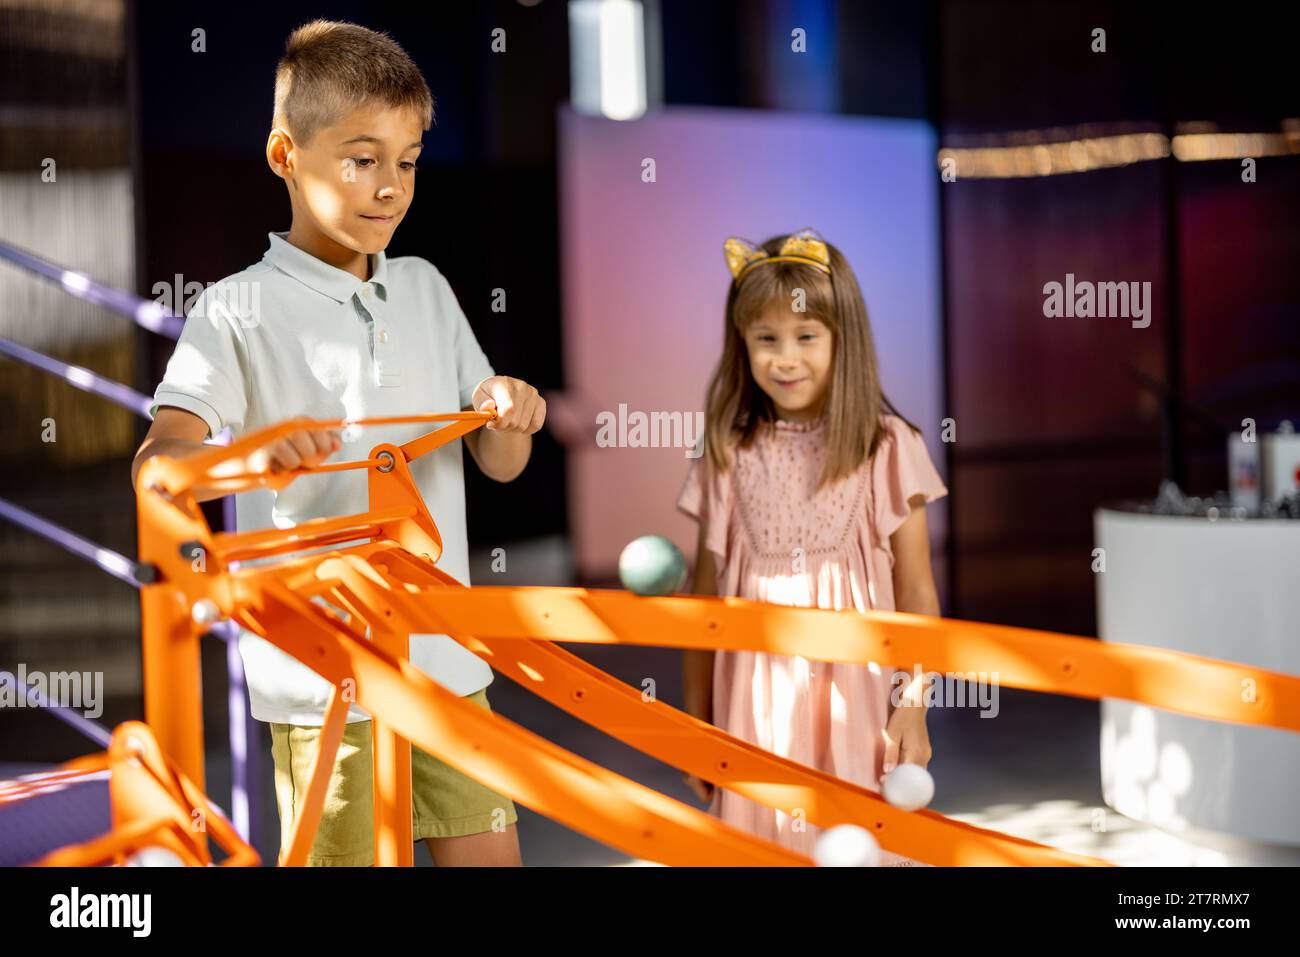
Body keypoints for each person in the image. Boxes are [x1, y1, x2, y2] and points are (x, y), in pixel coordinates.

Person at [131, 20, 545, 866]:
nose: (391, 187)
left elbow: (499, 463)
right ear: (285, 155)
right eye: (362, 158)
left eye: (409, 161)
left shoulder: (427, 288)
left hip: (448, 661)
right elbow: (161, 462)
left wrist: (511, 412)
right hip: (327, 681)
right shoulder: (234, 308)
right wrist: (247, 457)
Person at [677, 229, 946, 864]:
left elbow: (916, 592)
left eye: (806, 337)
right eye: (765, 339)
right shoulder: (727, 452)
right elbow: (702, 601)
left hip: (858, 704)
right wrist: (694, 725)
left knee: (855, 844)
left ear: (841, 339)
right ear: (742, 345)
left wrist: (913, 705)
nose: (785, 358)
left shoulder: (888, 447)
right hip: (754, 715)